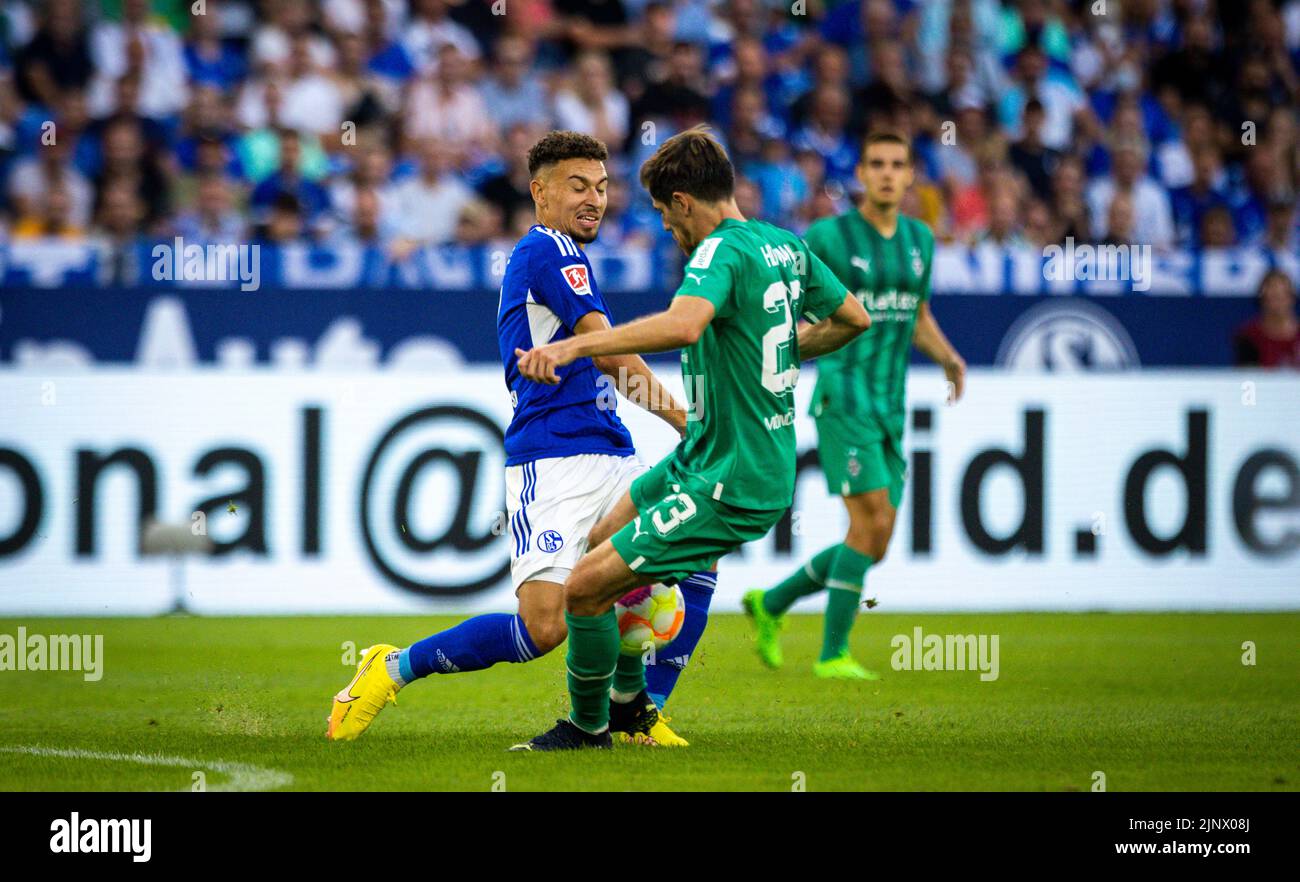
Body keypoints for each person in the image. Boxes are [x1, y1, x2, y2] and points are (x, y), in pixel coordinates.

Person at [326, 131, 702, 746]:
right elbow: (611, 356)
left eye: (603, 188)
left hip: (610, 453)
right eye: (578, 186)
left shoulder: (569, 256)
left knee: (667, 565)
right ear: (540, 192)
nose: (595, 200)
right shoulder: (546, 250)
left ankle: (629, 712)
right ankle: (390, 668)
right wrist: (688, 421)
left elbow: (603, 355)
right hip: (552, 459)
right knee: (542, 629)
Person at [508, 126, 871, 751]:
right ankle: (628, 702)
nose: (668, 232)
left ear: (682, 201)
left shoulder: (718, 253)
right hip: (702, 456)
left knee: (586, 587)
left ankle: (594, 725)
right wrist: (777, 350)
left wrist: (573, 345)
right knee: (601, 541)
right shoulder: (783, 246)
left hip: (733, 473)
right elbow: (853, 319)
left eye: (662, 214)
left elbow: (683, 326)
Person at [745, 132, 967, 679]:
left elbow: (915, 313)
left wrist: (949, 359)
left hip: (891, 404)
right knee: (872, 522)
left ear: (911, 175)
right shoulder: (828, 236)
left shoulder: (921, 239)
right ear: (862, 174)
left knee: (875, 539)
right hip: (844, 397)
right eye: (877, 164)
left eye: (898, 164)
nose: (888, 174)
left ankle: (771, 603)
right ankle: (832, 654)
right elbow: (789, 308)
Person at [1234, 269, 1300, 368]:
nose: (1277, 305)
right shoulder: (1249, 336)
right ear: (1262, 300)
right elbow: (1247, 377)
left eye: (1281, 297)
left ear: (1292, 298)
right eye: (1272, 298)